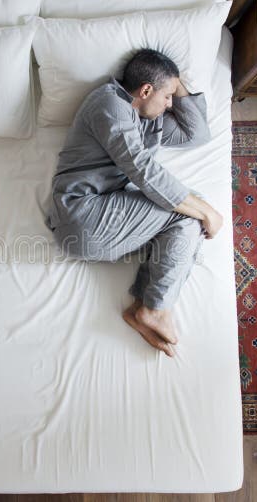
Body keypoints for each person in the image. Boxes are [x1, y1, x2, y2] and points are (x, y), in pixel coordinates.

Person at [45, 48, 224, 357]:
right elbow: (141, 169)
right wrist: (206, 211)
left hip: (104, 218)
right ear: (145, 90)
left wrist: (174, 80)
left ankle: (144, 306)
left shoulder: (149, 122)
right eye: (167, 97)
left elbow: (197, 134)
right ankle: (156, 309)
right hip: (81, 215)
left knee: (186, 218)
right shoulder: (108, 104)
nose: (171, 104)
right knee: (189, 214)